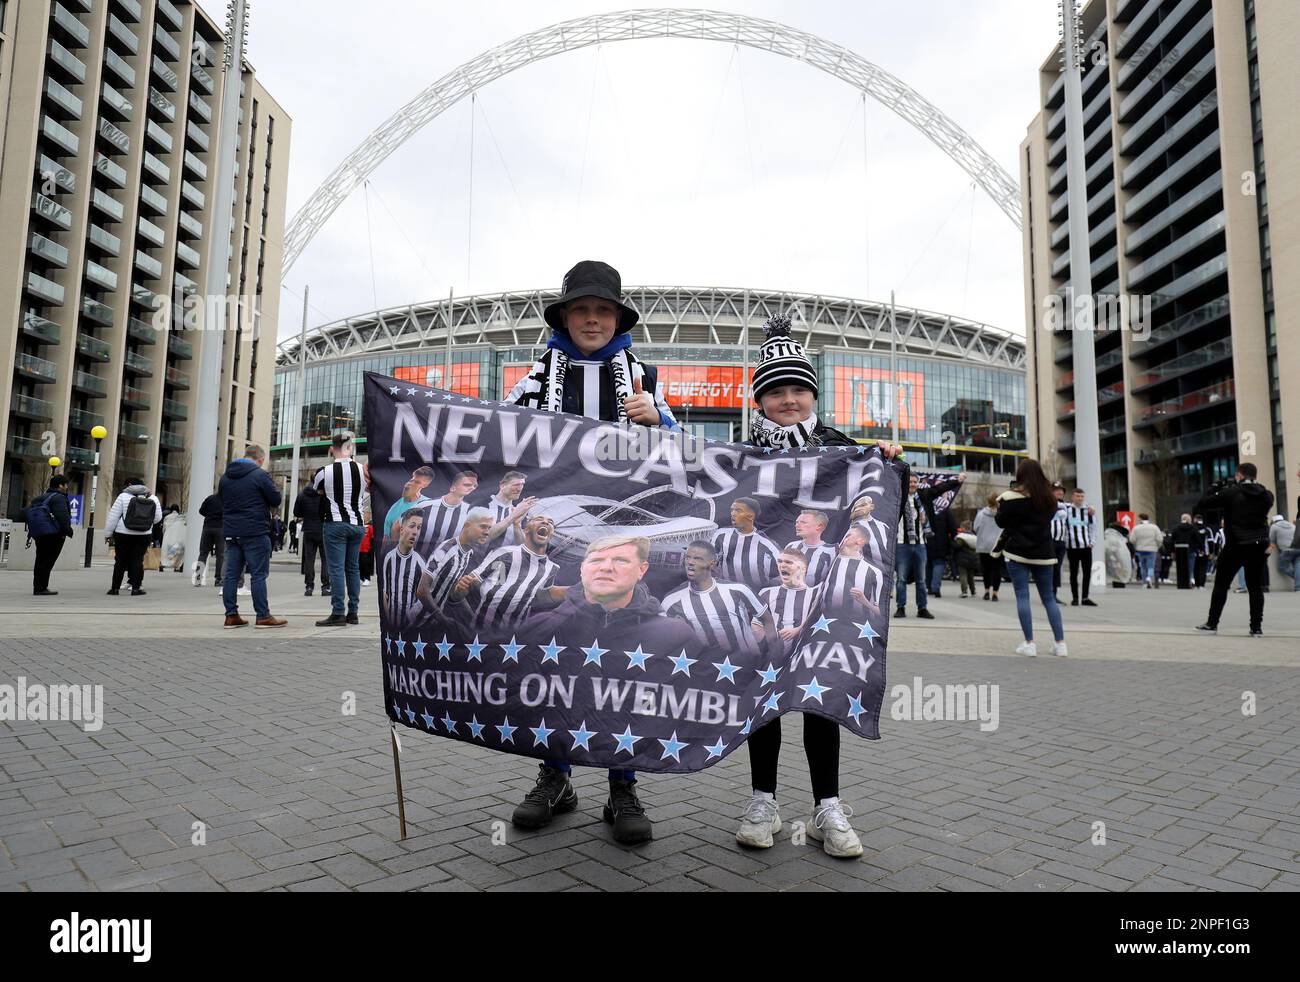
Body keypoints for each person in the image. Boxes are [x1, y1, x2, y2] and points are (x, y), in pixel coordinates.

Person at [502, 259, 681, 844]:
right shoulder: (534, 379)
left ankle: (621, 784)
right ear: (565, 316)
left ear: (617, 317)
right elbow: (498, 442)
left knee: (621, 660)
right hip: (559, 542)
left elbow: (682, 462)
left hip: (621, 545)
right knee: (557, 659)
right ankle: (555, 776)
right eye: (582, 309)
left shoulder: (643, 377)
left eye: (602, 310)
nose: (592, 319)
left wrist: (661, 423)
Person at [735, 313, 904, 860]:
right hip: (768, 592)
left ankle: (826, 806)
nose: (788, 400)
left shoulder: (842, 449)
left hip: (825, 600)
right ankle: (763, 801)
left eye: (798, 390)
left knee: (818, 698)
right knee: (764, 699)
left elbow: (875, 500)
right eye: (776, 391)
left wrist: (890, 466)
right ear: (760, 400)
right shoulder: (740, 456)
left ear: (813, 395)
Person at [517, 536, 702, 844]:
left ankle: (622, 789)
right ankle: (556, 780)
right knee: (555, 696)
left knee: (628, 706)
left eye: (620, 560)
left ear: (641, 569)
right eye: (597, 560)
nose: (606, 567)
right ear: (582, 569)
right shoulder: (550, 620)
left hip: (624, 718)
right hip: (564, 711)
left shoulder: (666, 629)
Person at [662, 540, 781, 662]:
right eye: (688, 557)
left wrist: (774, 656)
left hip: (746, 668)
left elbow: (767, 620)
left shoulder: (738, 590)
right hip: (703, 671)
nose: (691, 562)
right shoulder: (671, 601)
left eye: (698, 559)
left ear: (712, 563)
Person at [994, 460, 1066, 658]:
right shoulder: (1050, 500)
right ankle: (1060, 643)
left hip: (1017, 552)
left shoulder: (1010, 498)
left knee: (1022, 596)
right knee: (1049, 598)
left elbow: (1000, 521)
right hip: (1044, 553)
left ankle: (1029, 643)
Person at [1195, 463, 1273, 637]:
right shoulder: (1267, 495)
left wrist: (1215, 487)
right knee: (1255, 587)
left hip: (1236, 543)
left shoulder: (1231, 493)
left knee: (1221, 584)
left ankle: (1212, 623)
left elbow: (1203, 503)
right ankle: (1256, 627)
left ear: (1238, 475)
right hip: (1258, 544)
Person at [219, 445, 285, 628]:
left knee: (231, 575)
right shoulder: (260, 475)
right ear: (261, 459)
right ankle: (263, 616)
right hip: (255, 531)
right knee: (258, 575)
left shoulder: (225, 477)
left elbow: (222, 500)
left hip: (232, 532)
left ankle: (231, 615)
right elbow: (275, 499)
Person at [464, 513, 562, 635]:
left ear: (551, 535)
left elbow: (540, 595)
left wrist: (574, 590)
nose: (546, 522)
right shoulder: (504, 553)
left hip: (513, 638)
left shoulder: (552, 568)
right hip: (479, 629)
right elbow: (471, 581)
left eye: (550, 522)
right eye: (539, 519)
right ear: (526, 530)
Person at [895, 471, 965, 619]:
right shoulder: (898, 497)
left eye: (915, 482)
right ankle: (900, 607)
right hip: (902, 544)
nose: (912, 484)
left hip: (921, 544)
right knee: (901, 579)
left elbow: (940, 489)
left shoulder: (924, 496)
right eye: (910, 482)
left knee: (921, 580)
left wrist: (956, 481)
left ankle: (922, 608)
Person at [315, 433, 367, 627]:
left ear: (331, 449)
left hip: (335, 523)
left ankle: (338, 612)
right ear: (350, 448)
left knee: (336, 569)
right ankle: (353, 612)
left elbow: (317, 490)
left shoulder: (324, 471)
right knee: (352, 568)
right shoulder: (363, 470)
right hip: (357, 524)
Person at [104, 478, 162, 596]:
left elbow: (113, 517)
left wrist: (108, 534)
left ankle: (114, 589)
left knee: (120, 561)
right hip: (144, 534)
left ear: (130, 485)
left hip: (123, 533)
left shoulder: (123, 497)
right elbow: (157, 518)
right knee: (137, 560)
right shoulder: (153, 498)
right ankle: (136, 588)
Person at [712, 497, 781, 593]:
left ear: (751, 516)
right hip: (725, 593)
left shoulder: (766, 543)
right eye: (732, 510)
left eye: (738, 511)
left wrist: (768, 588)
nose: (733, 514)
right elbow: (710, 562)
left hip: (755, 595)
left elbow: (784, 570)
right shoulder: (720, 535)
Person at [759, 547, 817, 656]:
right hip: (771, 659)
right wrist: (773, 636)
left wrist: (800, 629)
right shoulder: (766, 593)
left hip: (802, 658)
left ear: (803, 568)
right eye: (780, 561)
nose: (782, 565)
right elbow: (756, 627)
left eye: (789, 562)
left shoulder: (816, 594)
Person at [28, 474, 73, 596]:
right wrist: (67, 531)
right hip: (53, 534)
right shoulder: (59, 498)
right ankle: (41, 588)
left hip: (39, 533)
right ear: (60, 485)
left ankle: (38, 586)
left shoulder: (40, 498)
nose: (67, 487)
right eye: (66, 485)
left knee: (40, 560)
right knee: (48, 561)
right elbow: (62, 517)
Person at [1061, 488, 1097, 607]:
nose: (1080, 498)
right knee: (1073, 573)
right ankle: (1075, 597)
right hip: (1072, 547)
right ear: (1072, 497)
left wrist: (1092, 542)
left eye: (1082, 496)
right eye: (1077, 496)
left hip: (1086, 547)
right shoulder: (1067, 509)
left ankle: (1085, 597)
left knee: (1087, 573)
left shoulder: (1088, 511)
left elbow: (1093, 528)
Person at [294, 476, 330, 597]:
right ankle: (326, 587)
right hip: (323, 529)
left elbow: (296, 513)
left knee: (309, 559)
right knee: (326, 559)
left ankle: (309, 586)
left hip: (308, 529)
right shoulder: (325, 494)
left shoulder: (302, 494)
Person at [784, 510, 836, 586]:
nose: (797, 525)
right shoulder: (791, 546)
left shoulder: (831, 551)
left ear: (819, 526)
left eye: (803, 522)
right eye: (797, 522)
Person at [383, 465, 435, 539]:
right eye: (412, 480)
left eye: (417, 482)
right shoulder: (395, 507)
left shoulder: (429, 505)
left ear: (425, 485)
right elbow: (386, 538)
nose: (410, 484)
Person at [973, 492, 1003, 601]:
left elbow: (975, 527)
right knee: (996, 569)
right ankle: (995, 593)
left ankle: (986, 591)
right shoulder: (1001, 514)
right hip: (997, 545)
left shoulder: (981, 514)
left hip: (984, 545)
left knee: (986, 569)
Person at [192, 491, 224, 587]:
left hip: (207, 527)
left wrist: (210, 516)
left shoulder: (210, 498)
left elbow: (201, 511)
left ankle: (198, 578)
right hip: (220, 528)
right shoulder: (227, 499)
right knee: (220, 555)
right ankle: (218, 579)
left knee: (203, 553)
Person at [926, 504, 956, 598]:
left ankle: (929, 587)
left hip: (927, 540)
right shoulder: (944, 509)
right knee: (938, 564)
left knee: (928, 565)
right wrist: (953, 537)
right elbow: (952, 526)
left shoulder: (925, 508)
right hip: (941, 541)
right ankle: (935, 587)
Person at [1130, 514, 1163, 588]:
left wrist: (1137, 545)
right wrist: (1157, 546)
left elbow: (1132, 540)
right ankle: (1149, 577)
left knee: (1143, 566)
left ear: (1140, 519)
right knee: (1151, 566)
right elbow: (1160, 539)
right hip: (1152, 549)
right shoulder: (1154, 528)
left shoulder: (1136, 528)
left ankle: (1144, 582)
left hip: (1140, 549)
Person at [1050, 481, 1069, 600]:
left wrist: (1091, 507)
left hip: (1060, 542)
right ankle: (1047, 594)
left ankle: (1054, 594)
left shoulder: (1066, 506)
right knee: (1049, 568)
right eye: (1057, 490)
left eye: (1061, 490)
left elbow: (1080, 505)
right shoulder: (1045, 504)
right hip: (1049, 541)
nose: (1060, 492)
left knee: (1057, 569)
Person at [1270, 512, 1299, 591]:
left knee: (1282, 567)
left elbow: (1271, 540)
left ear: (1274, 521)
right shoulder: (1292, 525)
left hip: (1287, 550)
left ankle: (1298, 581)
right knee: (1297, 567)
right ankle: (1298, 587)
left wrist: (1267, 552)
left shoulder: (1274, 526)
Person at [1171, 513, 1198, 589]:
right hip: (1191, 549)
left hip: (1179, 550)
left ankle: (1182, 581)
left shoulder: (1176, 528)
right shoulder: (1192, 528)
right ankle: (1192, 580)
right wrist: (1200, 548)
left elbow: (1172, 540)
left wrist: (1172, 551)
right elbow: (1197, 538)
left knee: (1181, 567)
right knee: (1191, 566)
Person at [953, 526, 979, 598]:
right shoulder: (974, 537)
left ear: (964, 528)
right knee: (971, 576)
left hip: (962, 559)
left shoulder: (961, 537)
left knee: (963, 575)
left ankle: (964, 591)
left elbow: (957, 546)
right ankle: (973, 592)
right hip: (973, 559)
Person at [161, 505, 186, 572]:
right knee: (178, 552)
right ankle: (177, 565)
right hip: (178, 537)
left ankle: (166, 563)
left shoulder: (167, 517)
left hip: (168, 537)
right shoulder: (181, 518)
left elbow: (164, 529)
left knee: (167, 552)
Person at [359, 513, 375, 586]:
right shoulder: (359, 526)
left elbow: (372, 539)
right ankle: (360, 578)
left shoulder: (370, 527)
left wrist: (370, 549)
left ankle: (367, 578)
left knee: (365, 564)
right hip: (358, 550)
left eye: (366, 517)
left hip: (366, 550)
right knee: (359, 564)